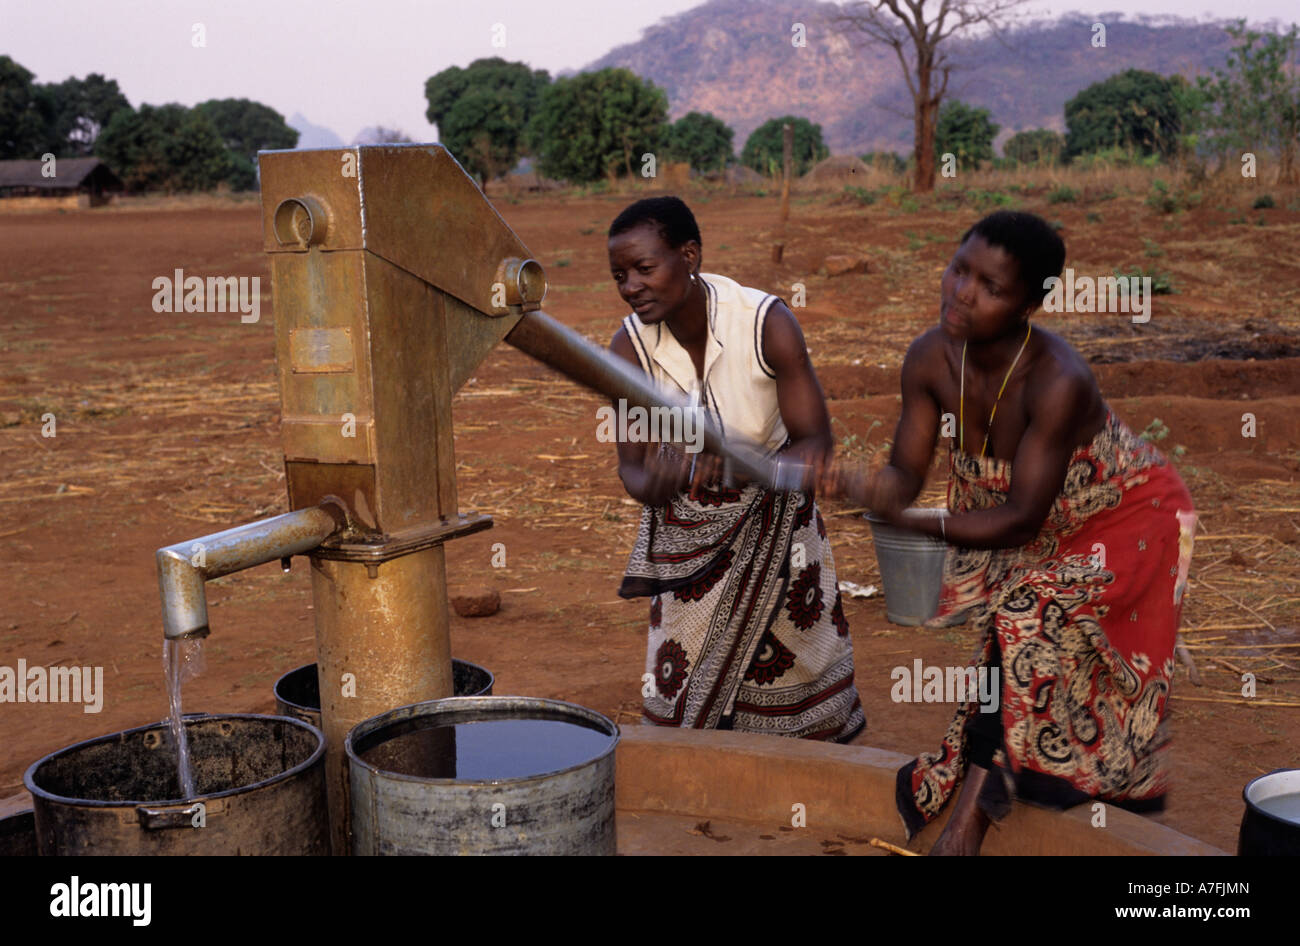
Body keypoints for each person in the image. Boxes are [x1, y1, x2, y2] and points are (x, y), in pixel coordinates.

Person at [844, 210, 1196, 854]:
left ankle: (964, 831)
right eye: (959, 270)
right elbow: (902, 476)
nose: (961, 293)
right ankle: (999, 799)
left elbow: (1019, 520)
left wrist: (921, 524)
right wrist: (855, 483)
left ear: (1033, 302)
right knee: (1019, 647)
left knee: (1028, 617)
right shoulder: (928, 358)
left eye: (991, 287)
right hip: (1029, 520)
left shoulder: (1057, 380)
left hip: (1128, 516)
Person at [606, 196, 865, 742]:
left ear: (690, 255)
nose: (631, 286)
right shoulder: (629, 349)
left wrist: (747, 470)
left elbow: (815, 441)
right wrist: (666, 478)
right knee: (682, 689)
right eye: (620, 275)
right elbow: (633, 474)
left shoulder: (764, 322)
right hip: (687, 538)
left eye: (645, 269)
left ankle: (801, 748)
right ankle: (704, 760)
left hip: (779, 518)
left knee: (793, 673)